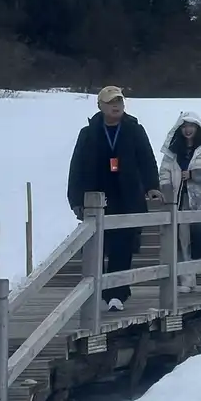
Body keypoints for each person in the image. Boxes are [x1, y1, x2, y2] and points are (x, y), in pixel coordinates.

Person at [67, 86, 161, 311]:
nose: (116, 105)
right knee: (98, 246)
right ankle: (97, 289)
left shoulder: (134, 129)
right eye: (110, 102)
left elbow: (147, 159)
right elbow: (76, 167)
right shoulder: (88, 133)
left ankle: (118, 293)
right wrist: (75, 199)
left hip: (127, 196)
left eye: (119, 101)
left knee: (123, 246)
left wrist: (152, 187)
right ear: (100, 106)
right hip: (96, 197)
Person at [158, 112, 201, 291]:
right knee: (182, 239)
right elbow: (164, 172)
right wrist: (166, 190)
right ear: (180, 128)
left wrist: (195, 175)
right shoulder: (172, 150)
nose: (188, 130)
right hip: (180, 199)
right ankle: (186, 279)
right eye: (185, 126)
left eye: (191, 126)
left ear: (197, 128)